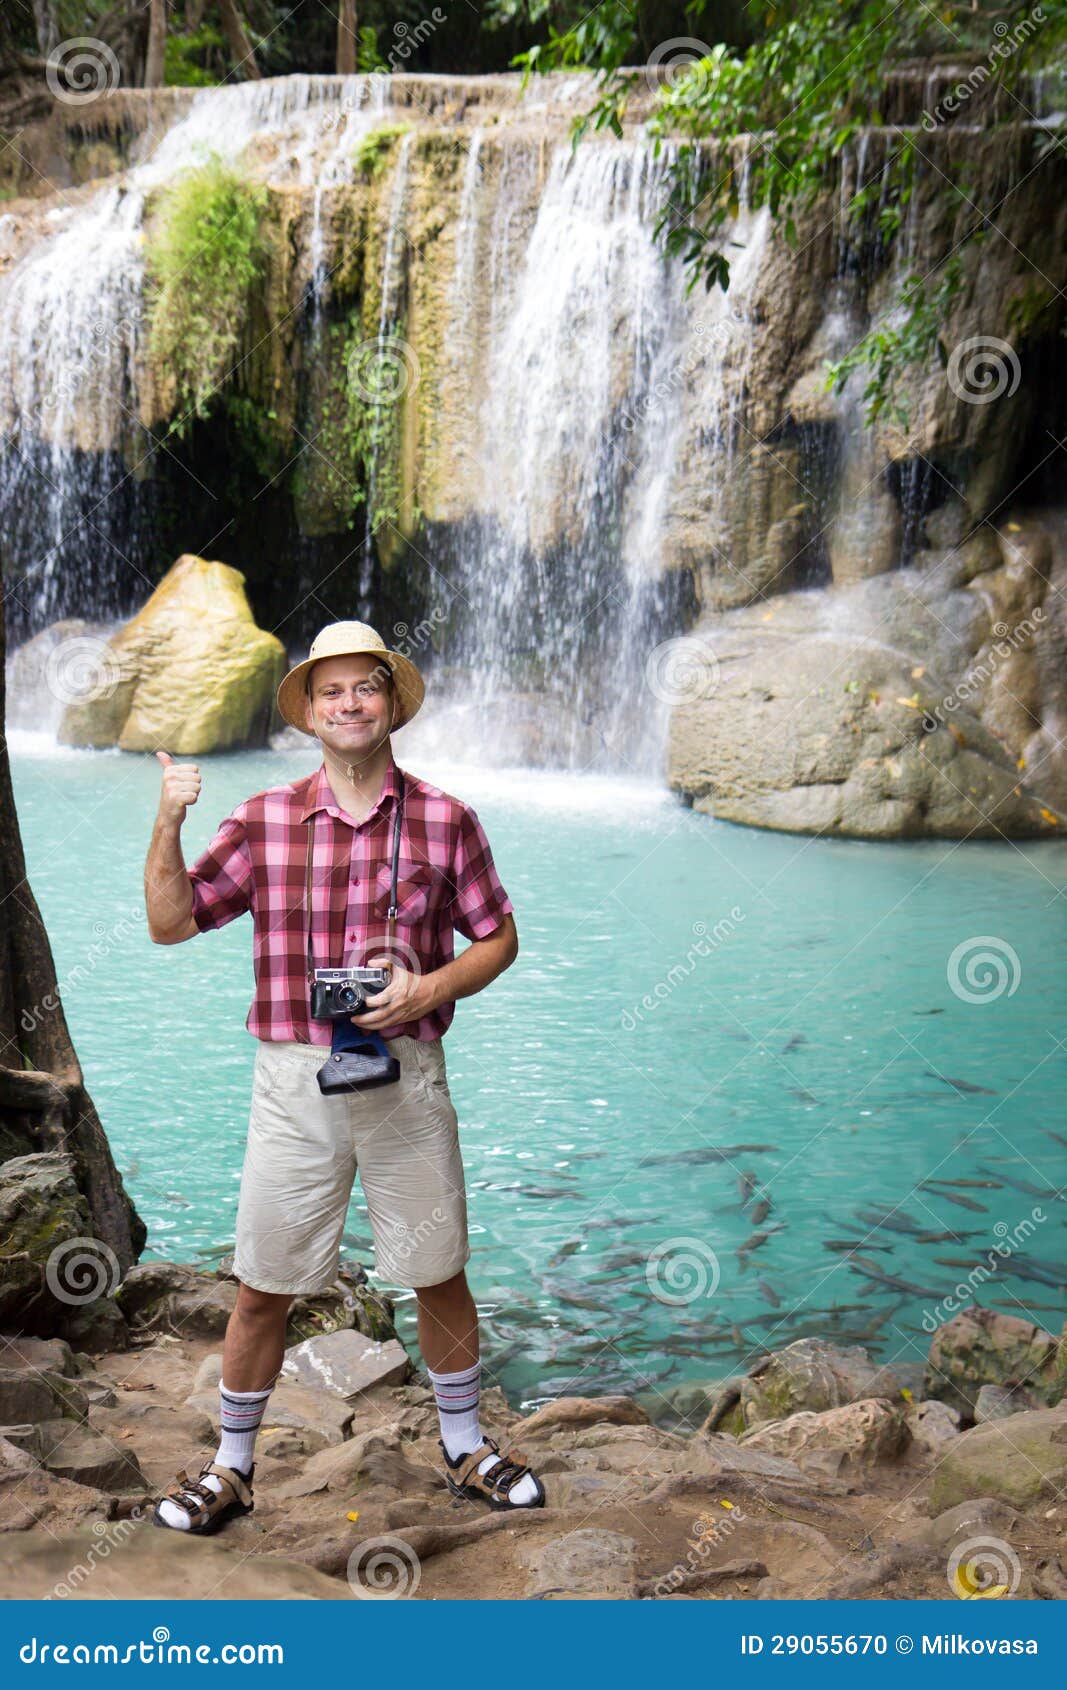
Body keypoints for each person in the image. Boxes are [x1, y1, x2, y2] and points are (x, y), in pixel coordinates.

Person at [143, 619, 546, 1534]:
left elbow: (500, 938)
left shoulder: (446, 817)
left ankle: (462, 1446)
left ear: (390, 703)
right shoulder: (264, 820)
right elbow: (171, 923)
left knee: (438, 1272)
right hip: (293, 1078)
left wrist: (429, 988)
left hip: (408, 1073)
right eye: (332, 691)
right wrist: (167, 819)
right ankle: (232, 1469)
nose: (350, 703)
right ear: (311, 713)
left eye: (366, 687)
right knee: (263, 1283)